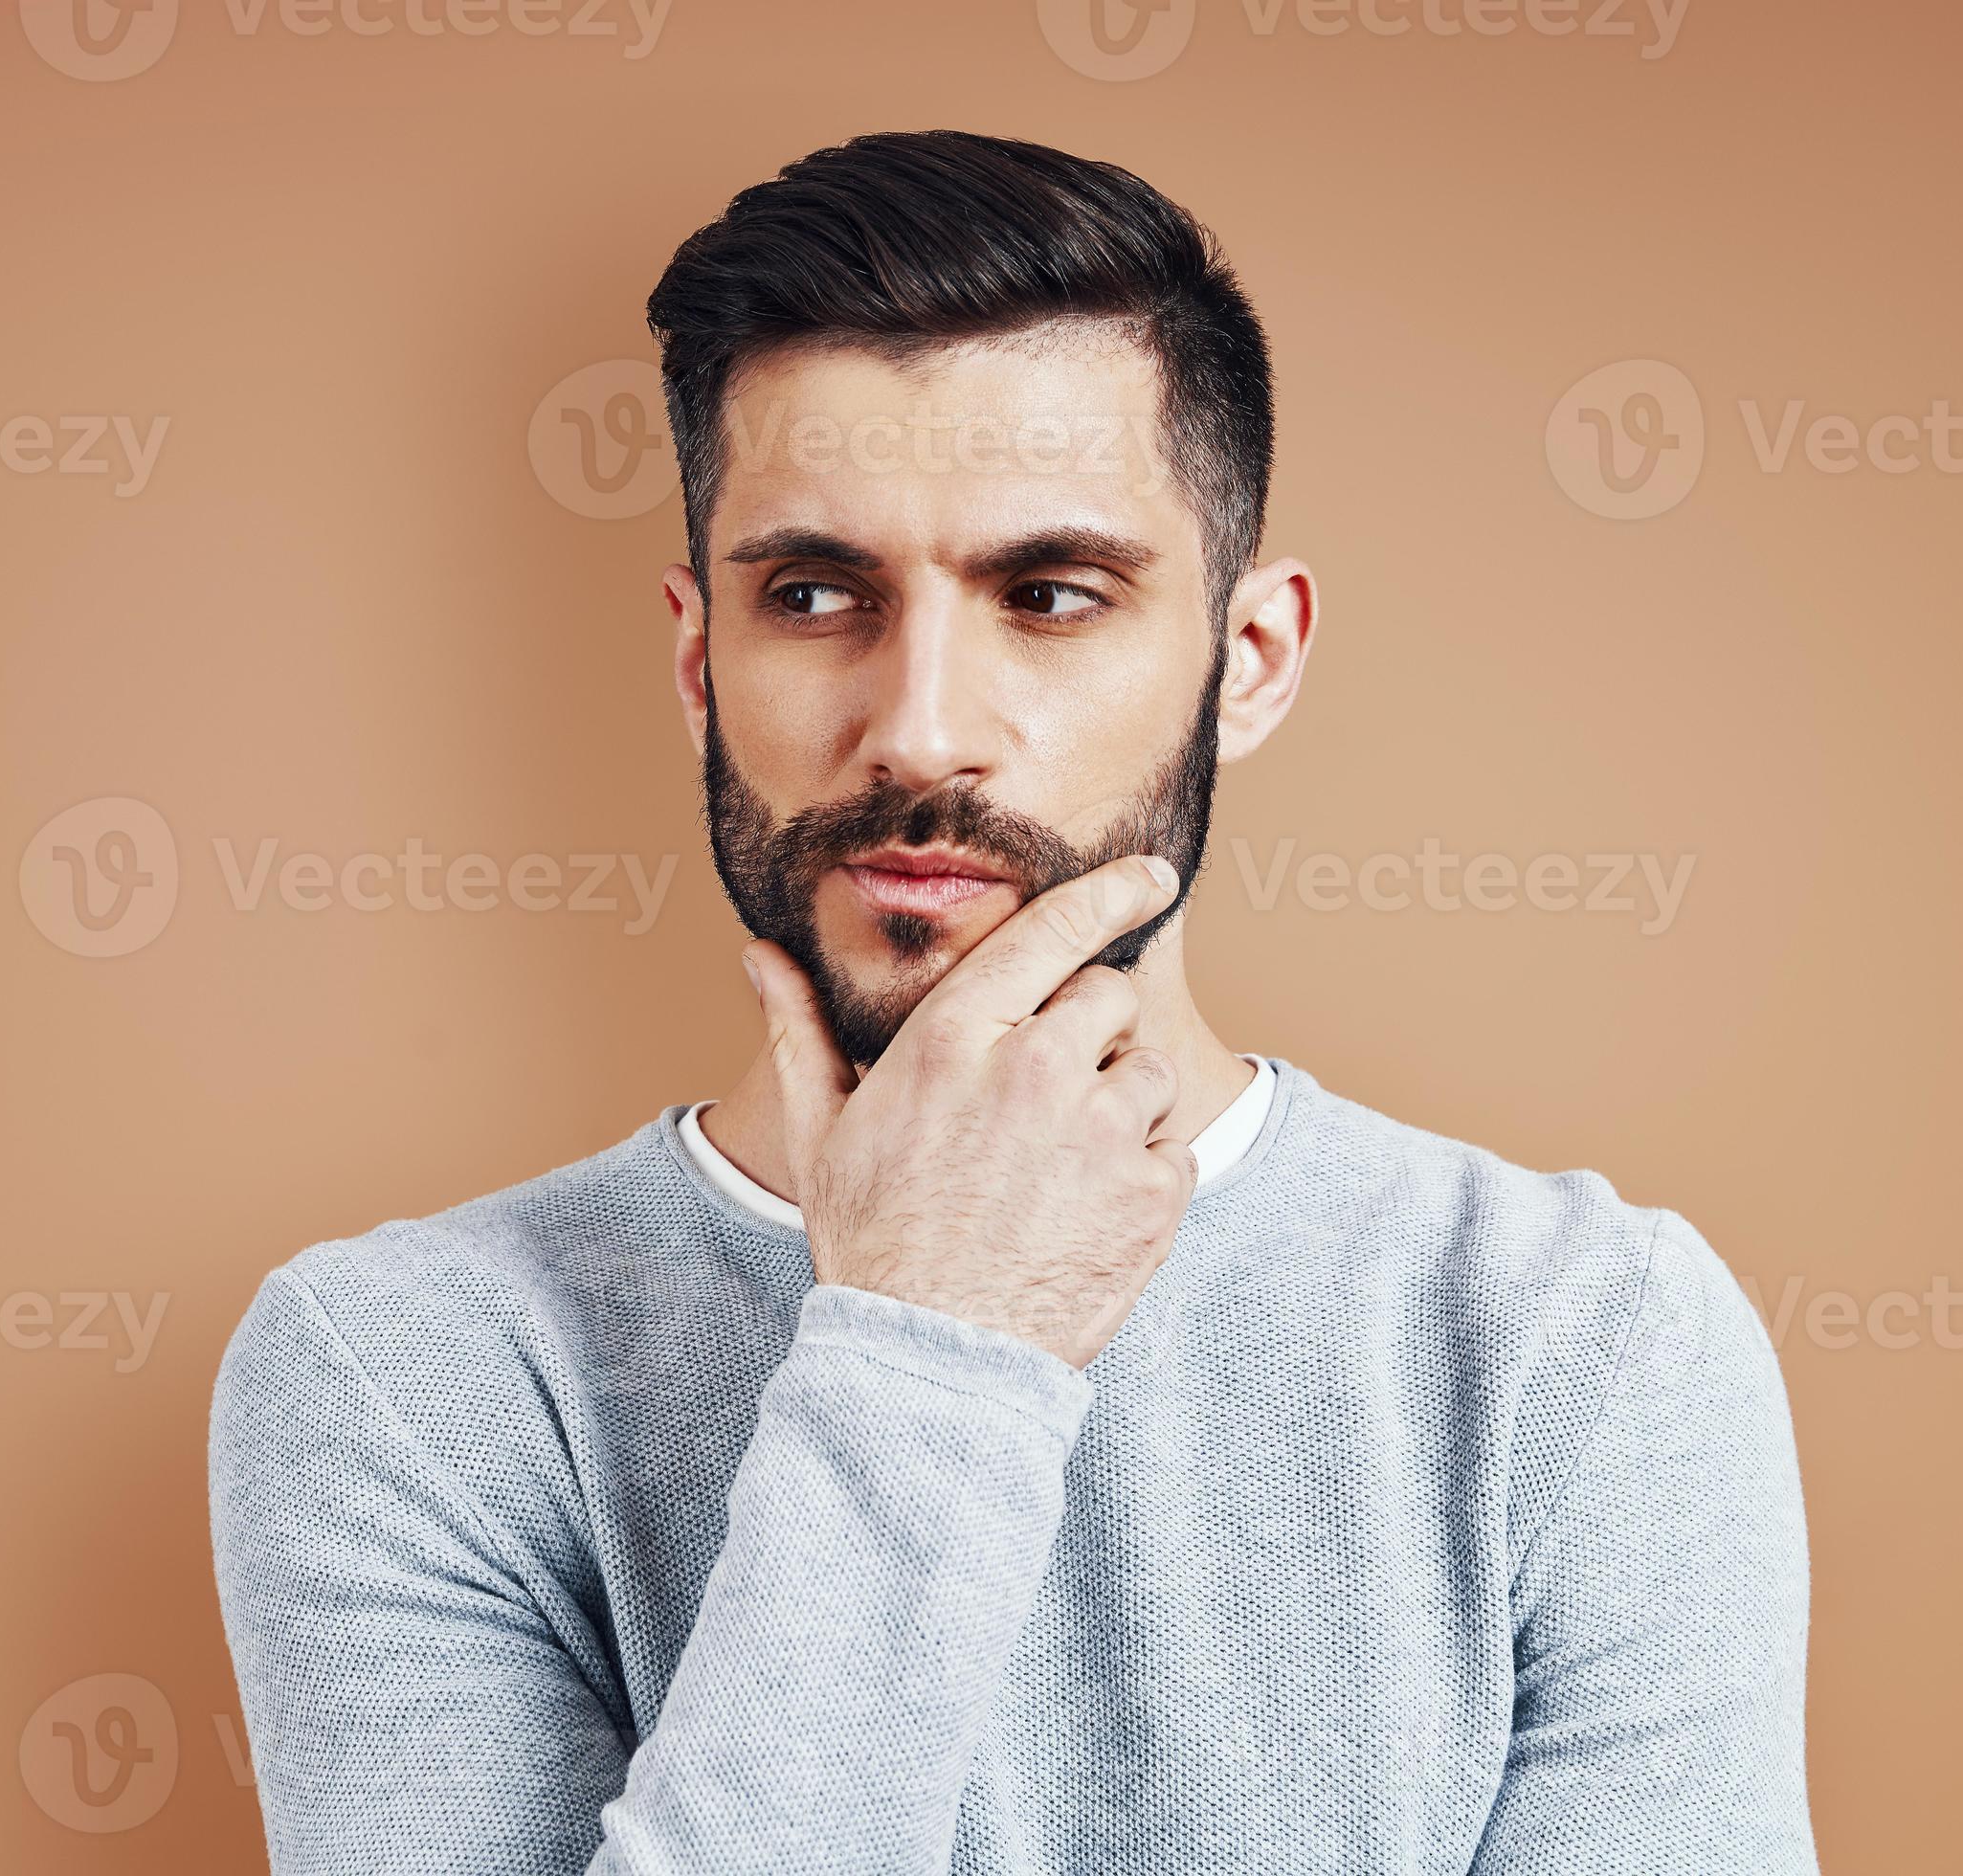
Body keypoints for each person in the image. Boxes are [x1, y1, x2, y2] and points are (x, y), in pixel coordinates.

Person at [209, 129, 1815, 1874]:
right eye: (815, 596)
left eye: (1050, 598)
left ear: (1249, 659)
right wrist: (934, 1350)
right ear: (700, 664)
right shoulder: (409, 1370)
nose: (920, 727)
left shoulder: (1579, 1336)